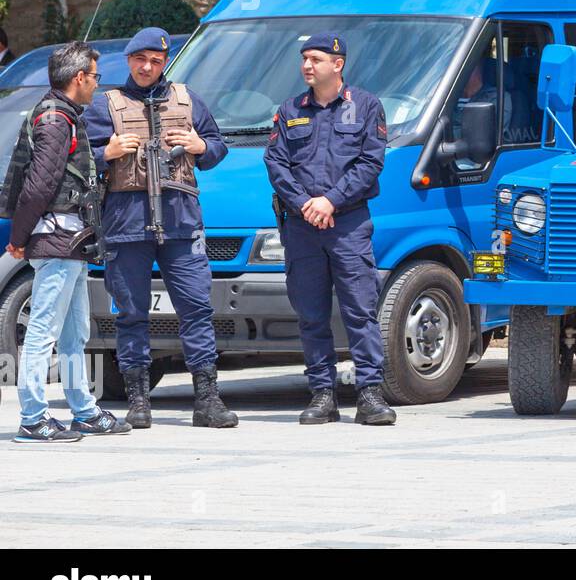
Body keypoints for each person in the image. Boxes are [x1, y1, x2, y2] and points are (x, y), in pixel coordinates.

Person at [83, 27, 237, 429]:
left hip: (181, 226)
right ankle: (138, 400)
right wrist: (106, 153)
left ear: (164, 61)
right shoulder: (106, 107)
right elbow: (78, 160)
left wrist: (202, 146)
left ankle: (207, 399)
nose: (147, 67)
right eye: (140, 59)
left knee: (197, 310)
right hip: (127, 227)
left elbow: (218, 146)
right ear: (130, 60)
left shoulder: (187, 101)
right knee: (131, 314)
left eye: (155, 60)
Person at [264, 32, 395, 425]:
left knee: (360, 310)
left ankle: (370, 394)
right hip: (303, 225)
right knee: (311, 313)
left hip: (348, 223)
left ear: (338, 64)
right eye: (304, 58)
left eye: (316, 59)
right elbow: (276, 163)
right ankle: (322, 394)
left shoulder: (367, 106)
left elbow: (371, 162)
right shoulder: (289, 110)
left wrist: (330, 200)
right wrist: (306, 204)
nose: (307, 65)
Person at [3, 42, 129, 441]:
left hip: (72, 241)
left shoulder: (64, 114)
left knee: (76, 332)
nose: (96, 84)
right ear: (79, 78)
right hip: (57, 238)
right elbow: (39, 185)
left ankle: (83, 410)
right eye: (95, 77)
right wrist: (19, 238)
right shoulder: (57, 119)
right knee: (44, 330)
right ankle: (34, 417)